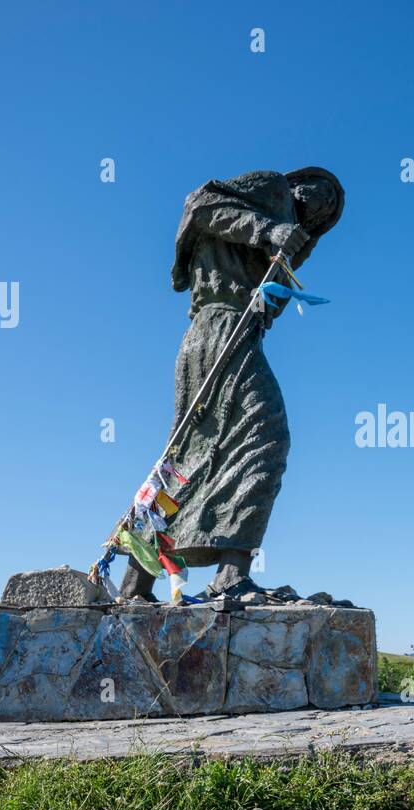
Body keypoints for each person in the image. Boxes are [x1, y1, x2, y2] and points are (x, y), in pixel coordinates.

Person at [119, 167, 344, 601]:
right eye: (322, 192)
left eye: (331, 206)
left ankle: (138, 582)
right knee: (265, 435)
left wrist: (274, 276)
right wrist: (267, 229)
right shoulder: (270, 192)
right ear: (297, 184)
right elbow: (199, 203)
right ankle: (228, 574)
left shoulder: (290, 240)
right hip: (217, 329)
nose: (324, 203)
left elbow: (265, 305)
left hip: (233, 334)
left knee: (193, 453)